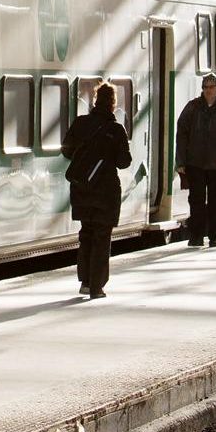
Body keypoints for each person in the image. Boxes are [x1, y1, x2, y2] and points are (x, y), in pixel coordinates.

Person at [61, 83, 132, 298]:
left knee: (86, 234)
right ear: (113, 103)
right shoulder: (116, 129)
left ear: (94, 100)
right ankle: (97, 286)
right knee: (102, 236)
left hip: (82, 188)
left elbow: (66, 151)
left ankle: (84, 281)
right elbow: (124, 162)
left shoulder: (80, 123)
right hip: (106, 190)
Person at [176, 74, 216, 248]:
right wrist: (181, 161)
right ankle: (196, 236)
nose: (208, 90)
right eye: (205, 87)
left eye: (211, 87)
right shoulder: (192, 107)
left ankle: (214, 236)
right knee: (196, 200)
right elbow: (182, 134)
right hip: (196, 162)